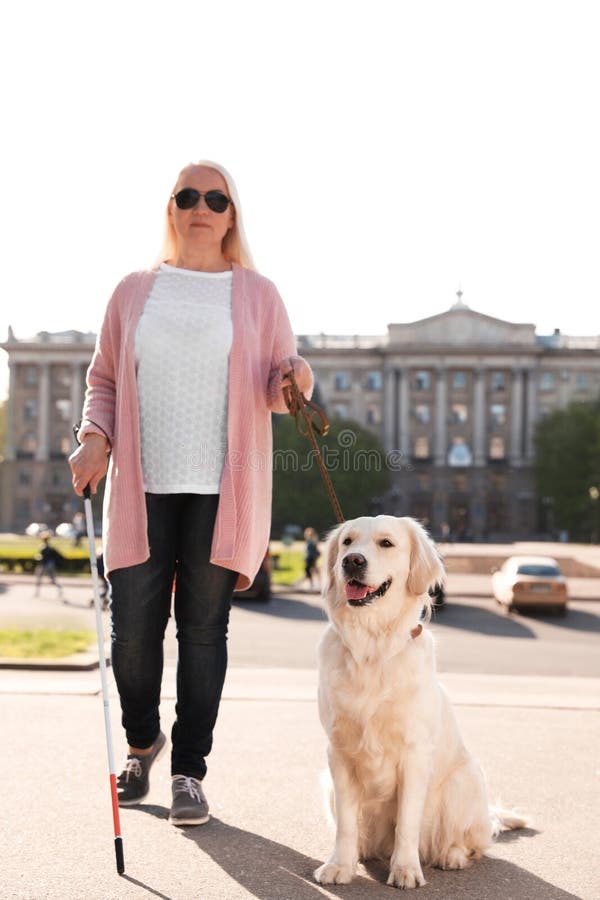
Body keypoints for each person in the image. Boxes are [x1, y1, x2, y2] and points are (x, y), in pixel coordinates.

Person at [69, 160, 313, 827]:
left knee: (204, 633)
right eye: (187, 195)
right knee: (133, 637)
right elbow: (105, 382)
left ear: (232, 215)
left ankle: (189, 773)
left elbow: (274, 388)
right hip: (142, 487)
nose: (200, 205)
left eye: (215, 197)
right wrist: (95, 434)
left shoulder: (258, 295)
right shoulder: (132, 291)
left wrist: (296, 378)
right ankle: (144, 740)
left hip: (222, 489)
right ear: (171, 209)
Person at [34, 533, 64, 600]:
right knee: (52, 580)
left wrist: (38, 557)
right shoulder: (50, 548)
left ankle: (37, 592)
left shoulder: (44, 548)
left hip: (44, 566)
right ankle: (59, 590)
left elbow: (42, 557)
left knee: (39, 579)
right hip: (49, 566)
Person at [303, 527, 321, 591]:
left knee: (313, 570)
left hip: (312, 557)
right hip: (309, 558)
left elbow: (314, 550)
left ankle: (316, 583)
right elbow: (307, 551)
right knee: (310, 570)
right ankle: (312, 583)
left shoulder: (313, 541)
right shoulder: (308, 541)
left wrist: (315, 557)